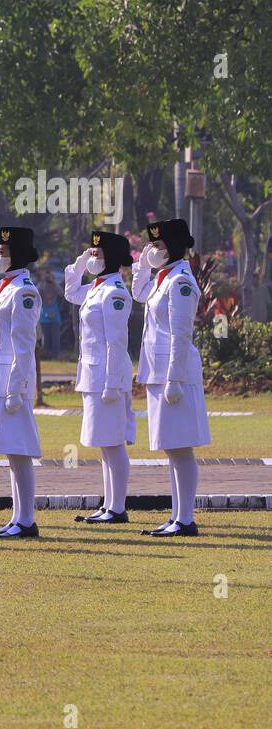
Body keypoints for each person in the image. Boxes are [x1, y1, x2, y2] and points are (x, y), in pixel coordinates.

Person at [133, 218, 208, 537]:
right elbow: (139, 294)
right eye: (151, 245)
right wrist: (142, 263)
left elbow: (181, 334)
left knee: (181, 447)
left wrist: (174, 379)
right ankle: (177, 515)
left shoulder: (180, 281)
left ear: (174, 248)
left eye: (159, 246)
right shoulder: (164, 278)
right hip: (160, 373)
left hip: (174, 375)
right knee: (171, 448)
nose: (153, 250)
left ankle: (186, 518)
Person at [0, 226, 43, 539]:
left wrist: (17, 386)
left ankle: (27, 520)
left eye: (3, 252)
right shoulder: (6, 286)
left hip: (12, 381)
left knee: (20, 450)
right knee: (12, 453)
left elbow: (24, 344)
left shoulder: (24, 291)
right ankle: (18, 517)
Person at [64, 230, 135, 524]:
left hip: (108, 378)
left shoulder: (115, 292)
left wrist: (113, 384)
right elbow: (70, 292)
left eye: (98, 254)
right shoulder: (95, 288)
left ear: (113, 260)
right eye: (91, 253)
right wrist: (79, 265)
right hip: (92, 375)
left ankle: (117, 508)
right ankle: (108, 504)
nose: (93, 258)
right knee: (104, 444)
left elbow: (116, 343)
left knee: (114, 442)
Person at [38, 270, 62, 359]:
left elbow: (62, 293)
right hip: (44, 317)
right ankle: (45, 356)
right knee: (46, 339)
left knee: (55, 339)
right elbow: (36, 292)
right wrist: (42, 281)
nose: (48, 279)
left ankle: (56, 357)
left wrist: (54, 281)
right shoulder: (42, 286)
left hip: (55, 318)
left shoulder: (55, 286)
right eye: (47, 277)